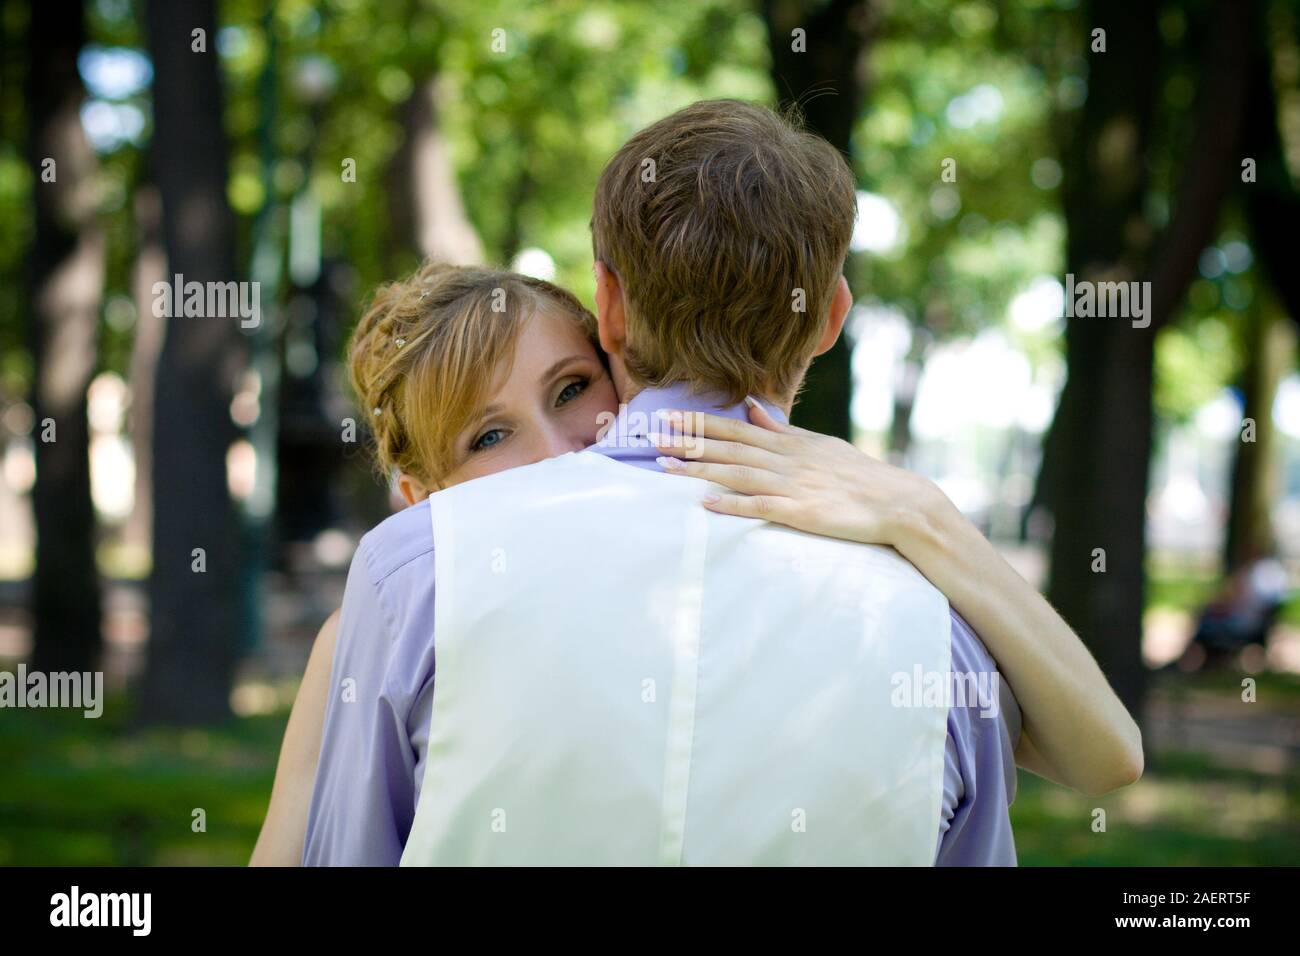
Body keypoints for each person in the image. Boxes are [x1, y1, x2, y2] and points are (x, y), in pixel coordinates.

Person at [251, 100, 1142, 867]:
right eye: (490, 435)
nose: (555, 454)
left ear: (607, 307)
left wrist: (920, 512)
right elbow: (1098, 760)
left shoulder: (414, 582)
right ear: (831, 316)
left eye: (570, 389)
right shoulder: (937, 632)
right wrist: (921, 517)